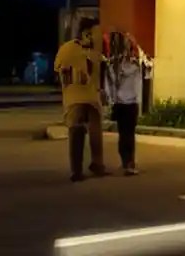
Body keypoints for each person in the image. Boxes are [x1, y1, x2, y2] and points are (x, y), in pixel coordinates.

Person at [54, 18, 107, 182]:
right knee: (84, 131)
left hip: (84, 97)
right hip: (80, 97)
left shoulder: (87, 51)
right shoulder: (74, 50)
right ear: (86, 32)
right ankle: (85, 167)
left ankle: (88, 166)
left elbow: (58, 69)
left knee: (88, 132)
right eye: (95, 32)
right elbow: (59, 69)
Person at [105, 33, 144, 176]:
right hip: (130, 103)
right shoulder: (135, 65)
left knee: (124, 134)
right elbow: (138, 85)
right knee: (129, 134)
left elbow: (109, 86)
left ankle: (126, 161)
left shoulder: (114, 66)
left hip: (121, 103)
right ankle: (129, 162)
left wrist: (112, 101)